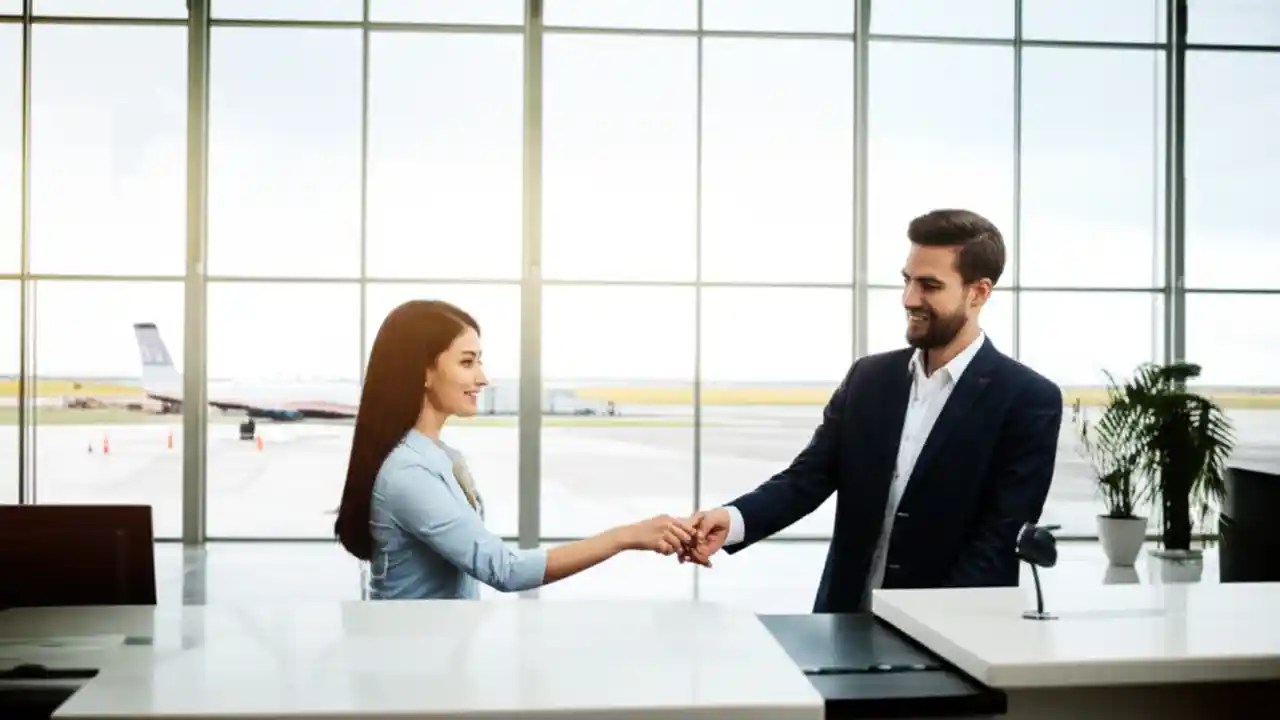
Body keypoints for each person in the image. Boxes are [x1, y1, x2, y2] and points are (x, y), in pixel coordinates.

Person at [680, 209, 1063, 613]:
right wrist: (733, 519)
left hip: (953, 638)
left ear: (979, 292)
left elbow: (999, 539)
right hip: (844, 623)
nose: (909, 299)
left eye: (930, 285)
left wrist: (927, 633)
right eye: (907, 280)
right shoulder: (869, 378)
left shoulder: (1027, 399)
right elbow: (807, 478)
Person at [334, 300, 696, 599]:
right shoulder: (409, 472)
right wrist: (625, 537)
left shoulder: (435, 456)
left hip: (436, 653)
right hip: (412, 663)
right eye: (467, 361)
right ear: (423, 372)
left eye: (479, 360)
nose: (483, 377)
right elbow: (505, 571)